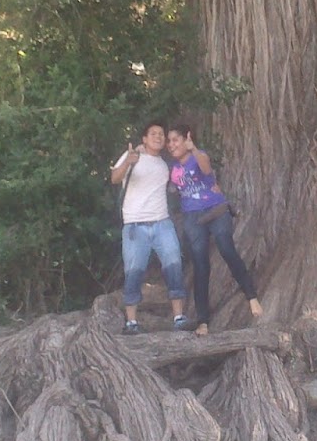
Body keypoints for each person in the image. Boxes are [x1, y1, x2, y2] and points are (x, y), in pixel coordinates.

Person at [166, 123, 262, 335]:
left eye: (175, 140)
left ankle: (251, 296)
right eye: (169, 141)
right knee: (200, 265)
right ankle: (203, 321)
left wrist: (194, 149)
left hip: (216, 210)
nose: (171, 144)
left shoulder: (198, 156)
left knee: (227, 249)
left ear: (186, 139)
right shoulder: (173, 170)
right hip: (193, 218)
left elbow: (207, 168)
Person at [110, 120, 189, 333]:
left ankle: (179, 317)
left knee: (174, 266)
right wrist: (128, 161)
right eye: (153, 133)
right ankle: (131, 321)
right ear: (144, 139)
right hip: (136, 226)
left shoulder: (164, 164)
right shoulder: (132, 157)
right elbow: (115, 178)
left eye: (161, 134)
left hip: (162, 223)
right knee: (134, 272)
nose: (159, 137)